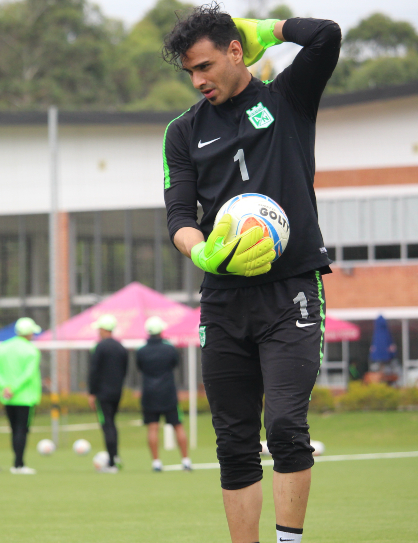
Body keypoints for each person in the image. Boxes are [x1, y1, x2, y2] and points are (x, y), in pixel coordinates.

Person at [161, 5, 339, 543]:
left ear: (236, 50)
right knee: (234, 442)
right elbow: (179, 218)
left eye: (206, 66)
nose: (198, 80)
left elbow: (326, 36)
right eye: (190, 72)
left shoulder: (288, 99)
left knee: (284, 426)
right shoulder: (182, 132)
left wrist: (268, 29)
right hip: (223, 299)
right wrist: (202, 254)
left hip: (292, 290)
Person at [136, 316, 192, 472]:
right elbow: (175, 364)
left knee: (152, 427)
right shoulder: (169, 348)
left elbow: (140, 367)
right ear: (161, 331)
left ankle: (156, 463)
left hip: (149, 394)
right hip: (168, 393)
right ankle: (186, 461)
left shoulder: (141, 350)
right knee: (178, 425)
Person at [0, 317, 42, 475]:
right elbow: (28, 374)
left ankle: (17, 463)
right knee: (21, 430)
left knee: (14, 430)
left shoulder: (2, 347)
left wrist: (5, 387)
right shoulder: (31, 350)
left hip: (7, 397)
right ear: (29, 333)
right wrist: (14, 388)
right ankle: (19, 464)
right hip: (25, 397)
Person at [87, 314, 128, 473]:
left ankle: (111, 463)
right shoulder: (121, 347)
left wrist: (92, 393)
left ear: (104, 329)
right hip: (116, 392)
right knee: (112, 423)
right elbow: (124, 370)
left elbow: (94, 371)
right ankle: (115, 457)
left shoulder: (99, 347)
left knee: (107, 424)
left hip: (102, 393)